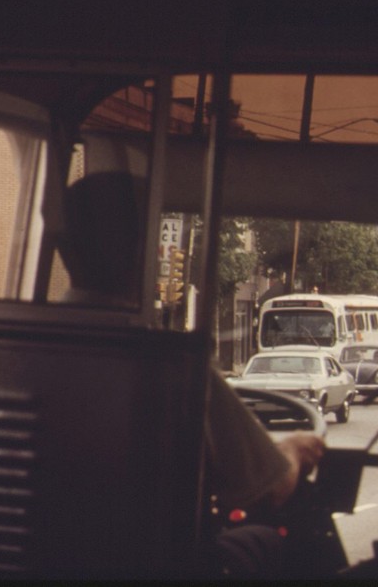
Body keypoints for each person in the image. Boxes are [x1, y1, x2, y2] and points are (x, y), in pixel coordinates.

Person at [59, 171, 326, 577]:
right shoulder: (173, 367)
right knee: (271, 542)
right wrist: (293, 448)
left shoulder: (15, 352)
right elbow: (270, 487)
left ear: (62, 246)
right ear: (144, 250)